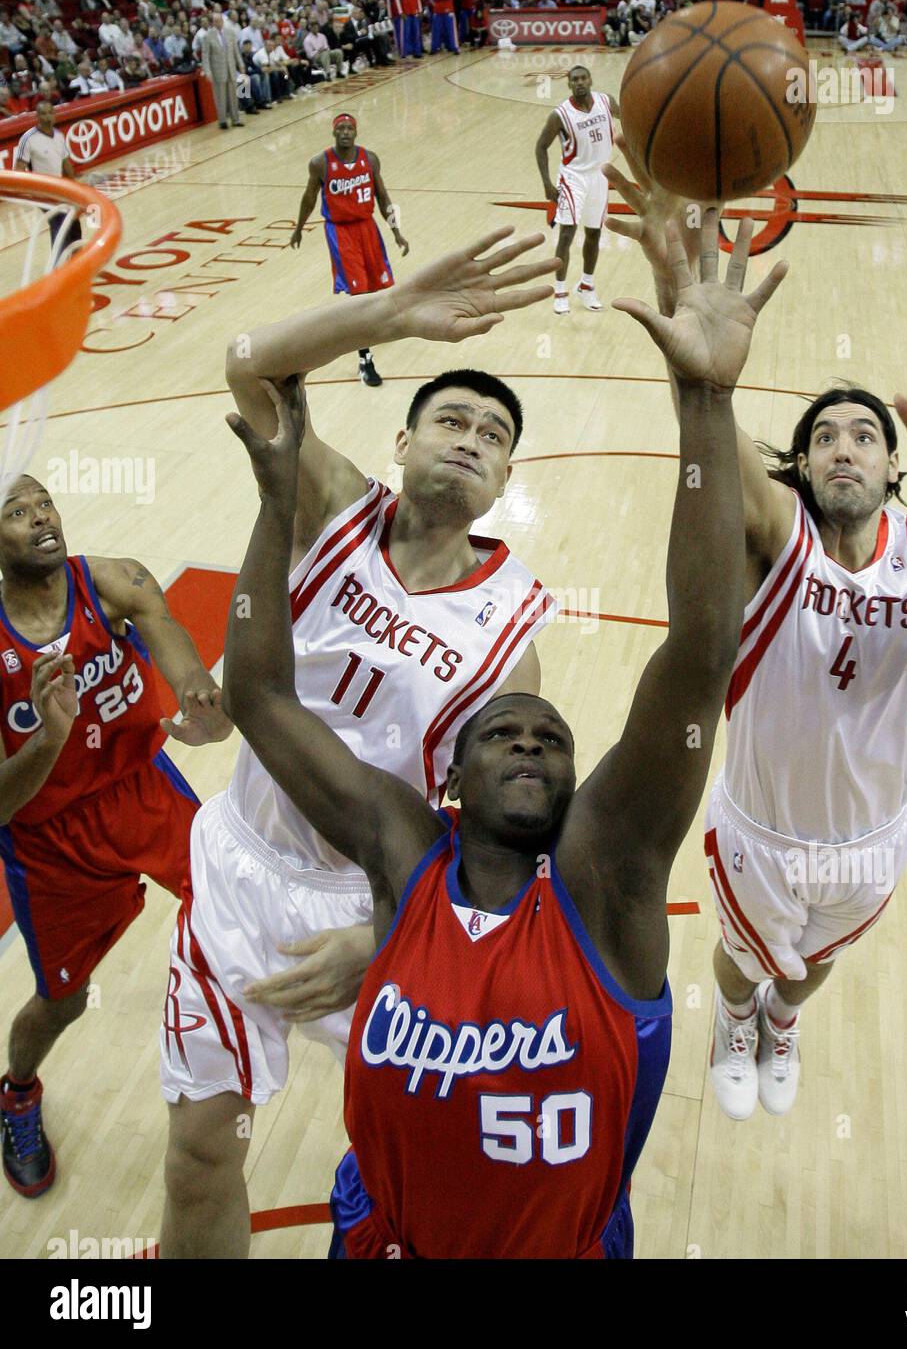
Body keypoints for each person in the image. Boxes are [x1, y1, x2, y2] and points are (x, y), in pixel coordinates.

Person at [222, 209, 783, 1260]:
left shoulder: (603, 889)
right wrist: (270, 505)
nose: (526, 737)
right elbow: (260, 700)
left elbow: (704, 649)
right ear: (452, 777)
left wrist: (706, 403)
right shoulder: (402, 852)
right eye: (502, 731)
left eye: (549, 735)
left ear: (580, 792)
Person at [603, 162, 907, 1123]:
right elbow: (707, 407)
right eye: (826, 438)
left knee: (812, 963)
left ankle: (781, 1020)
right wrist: (674, 302)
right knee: (738, 958)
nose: (845, 447)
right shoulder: (778, 534)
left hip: (869, 841)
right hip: (760, 832)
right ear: (804, 464)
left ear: (893, 465)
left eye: (865, 436)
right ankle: (738, 1019)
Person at [158, 226, 558, 1259]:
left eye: (492, 434)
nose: (470, 437)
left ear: (506, 475)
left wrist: (389, 933)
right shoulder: (329, 506)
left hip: (378, 907)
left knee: (434, 1161)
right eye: (451, 419)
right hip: (243, 869)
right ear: (403, 445)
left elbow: (502, 831)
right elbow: (250, 362)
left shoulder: (511, 629)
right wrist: (386, 310)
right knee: (203, 1150)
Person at [0, 478, 229, 1197]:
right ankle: (18, 1093)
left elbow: (167, 632)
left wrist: (200, 696)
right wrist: (52, 735)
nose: (41, 520)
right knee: (63, 1001)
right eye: (15, 513)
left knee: (239, 907)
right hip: (48, 838)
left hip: (140, 790)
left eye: (43, 504)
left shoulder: (110, 579)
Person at [289, 114, 410, 385]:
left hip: (368, 227)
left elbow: (383, 197)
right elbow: (309, 198)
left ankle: (368, 331)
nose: (345, 132)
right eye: (340, 128)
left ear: (356, 132)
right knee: (358, 295)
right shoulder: (320, 163)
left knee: (376, 289)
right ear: (333, 133)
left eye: (350, 128)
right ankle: (365, 359)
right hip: (341, 232)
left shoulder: (370, 159)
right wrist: (298, 227)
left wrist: (396, 232)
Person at [536, 66, 620, 314]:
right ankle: (560, 291)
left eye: (583, 78)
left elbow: (629, 117)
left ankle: (586, 285)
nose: (580, 83)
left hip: (600, 176)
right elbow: (540, 147)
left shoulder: (606, 102)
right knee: (566, 234)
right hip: (573, 178)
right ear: (569, 84)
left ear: (591, 80)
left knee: (594, 233)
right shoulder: (560, 114)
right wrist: (547, 184)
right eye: (575, 80)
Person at [14, 101, 83, 258]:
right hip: (43, 192)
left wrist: (75, 187)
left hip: (61, 189)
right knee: (59, 222)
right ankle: (57, 265)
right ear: (37, 116)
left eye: (50, 112)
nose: (48, 116)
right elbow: (19, 169)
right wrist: (28, 193)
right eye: (44, 113)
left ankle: (77, 258)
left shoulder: (59, 135)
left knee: (73, 221)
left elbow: (66, 164)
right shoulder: (28, 138)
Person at [201, 11, 245, 129]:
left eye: (220, 20)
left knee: (233, 96)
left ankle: (235, 119)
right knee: (220, 97)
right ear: (212, 23)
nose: (218, 23)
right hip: (217, 70)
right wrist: (207, 72)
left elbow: (235, 50)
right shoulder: (208, 36)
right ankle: (222, 121)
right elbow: (205, 56)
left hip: (231, 68)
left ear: (222, 21)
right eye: (215, 21)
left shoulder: (230, 33)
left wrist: (240, 64)